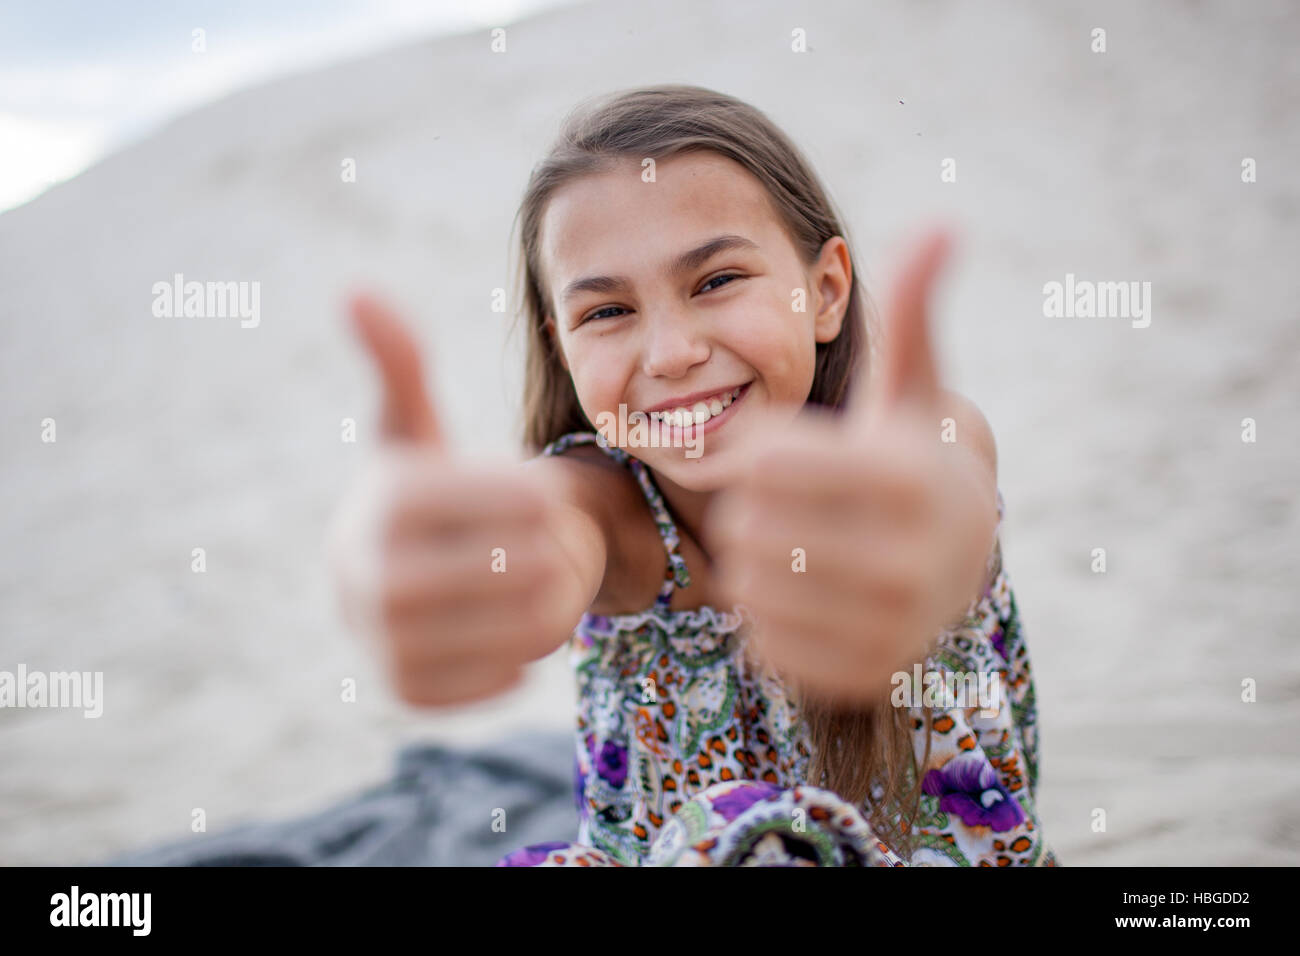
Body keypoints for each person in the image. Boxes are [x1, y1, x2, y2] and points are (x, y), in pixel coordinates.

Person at [328, 85, 1058, 867]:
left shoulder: (923, 448)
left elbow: (947, 479)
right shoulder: (602, 507)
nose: (671, 353)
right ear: (562, 347)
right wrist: (423, 562)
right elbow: (539, 538)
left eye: (715, 281)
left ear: (825, 291)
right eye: (606, 312)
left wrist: (927, 525)